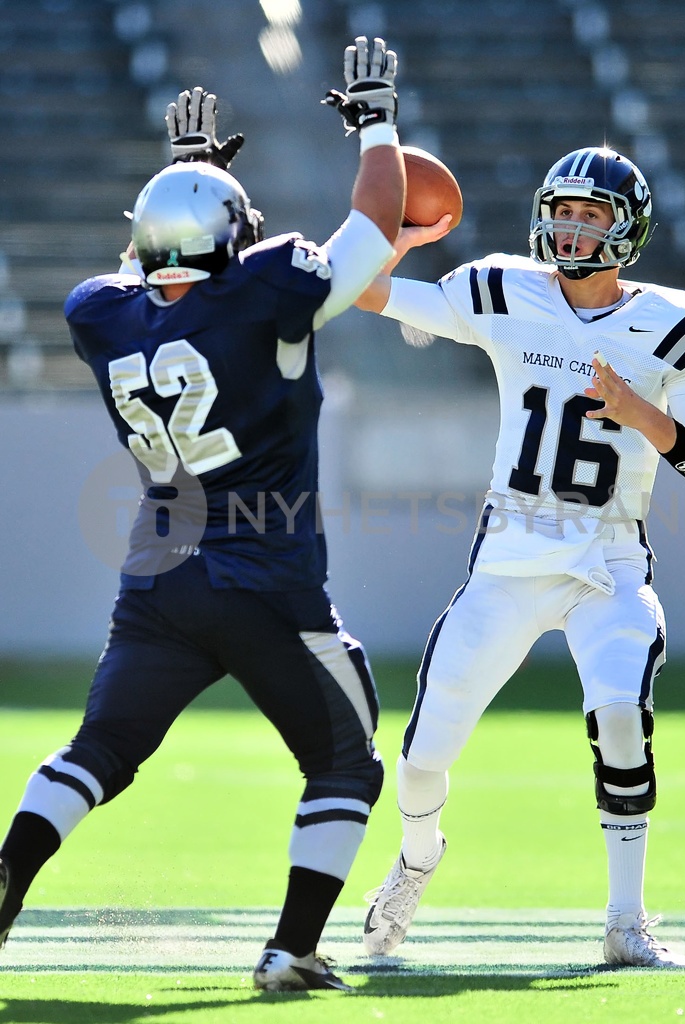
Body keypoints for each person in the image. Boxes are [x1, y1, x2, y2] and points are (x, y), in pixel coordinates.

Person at [0, 36, 406, 992]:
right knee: (346, 763)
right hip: (264, 577)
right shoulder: (267, 290)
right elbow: (376, 224)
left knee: (98, 751)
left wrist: (183, 177)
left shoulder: (100, 312)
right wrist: (378, 125)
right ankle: (292, 949)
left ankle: (8, 873)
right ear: (234, 238)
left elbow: (151, 267)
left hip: (159, 576)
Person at [359, 146, 685, 969]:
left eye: (590, 214)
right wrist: (398, 240)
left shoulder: (680, 325)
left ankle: (625, 923)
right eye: (563, 211)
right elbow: (366, 291)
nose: (571, 228)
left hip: (608, 566)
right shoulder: (505, 290)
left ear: (626, 228)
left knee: (621, 718)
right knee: (420, 759)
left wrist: (640, 412)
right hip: (507, 563)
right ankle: (417, 860)